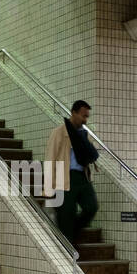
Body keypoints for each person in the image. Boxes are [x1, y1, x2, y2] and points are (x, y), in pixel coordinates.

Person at [45, 100, 99, 247]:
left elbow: (90, 154)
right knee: (66, 216)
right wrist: (48, 188)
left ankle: (72, 231)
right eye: (83, 116)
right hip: (64, 179)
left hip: (83, 177)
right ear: (73, 113)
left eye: (87, 116)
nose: (85, 120)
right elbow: (50, 158)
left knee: (91, 207)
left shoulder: (84, 134)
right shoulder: (59, 133)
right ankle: (68, 253)